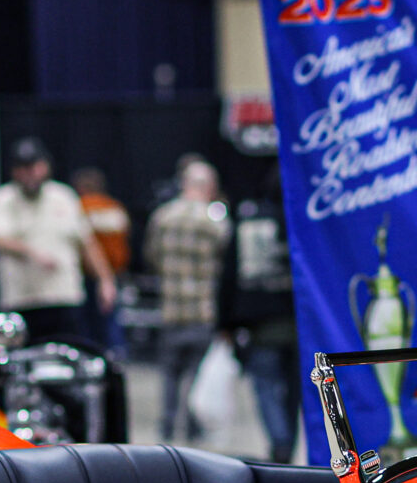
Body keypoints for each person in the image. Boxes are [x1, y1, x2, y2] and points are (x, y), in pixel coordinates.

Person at [0, 139, 117, 344]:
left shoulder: (63, 196)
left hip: (64, 296)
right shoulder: (4, 198)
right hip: (23, 300)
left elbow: (86, 242)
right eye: (23, 168)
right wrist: (32, 253)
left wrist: (105, 280)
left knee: (68, 358)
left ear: (45, 166)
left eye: (34, 166)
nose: (30, 174)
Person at [146, 158, 231, 443]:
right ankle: (192, 427)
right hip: (203, 311)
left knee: (170, 374)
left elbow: (152, 256)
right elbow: (224, 262)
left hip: (171, 310)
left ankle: (167, 426)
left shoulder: (162, 217)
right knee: (197, 375)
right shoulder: (215, 221)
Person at [222, 175, 301, 463]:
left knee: (266, 388)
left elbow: (229, 274)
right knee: (294, 393)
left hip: (259, 326)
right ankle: (287, 444)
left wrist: (225, 322)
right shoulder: (304, 221)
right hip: (298, 326)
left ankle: (279, 442)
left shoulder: (247, 222)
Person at [72, 167, 132, 276]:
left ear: (79, 188)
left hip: (88, 271)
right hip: (117, 269)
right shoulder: (115, 207)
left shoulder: (79, 206)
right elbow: (127, 231)